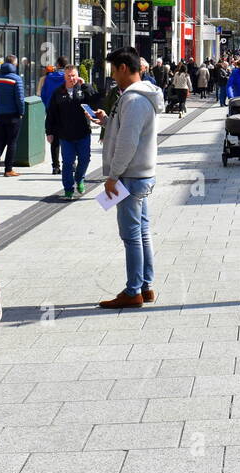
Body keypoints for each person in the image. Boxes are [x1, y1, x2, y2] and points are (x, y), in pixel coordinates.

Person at [95, 47, 165, 309]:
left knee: (131, 235)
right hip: (140, 174)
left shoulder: (133, 100)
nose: (112, 76)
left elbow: (128, 142)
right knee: (142, 232)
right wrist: (106, 121)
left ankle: (133, 290)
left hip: (131, 176)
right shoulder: (138, 97)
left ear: (124, 68)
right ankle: (145, 286)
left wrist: (113, 175)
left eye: (113, 70)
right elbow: (126, 129)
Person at [45, 64, 101, 200]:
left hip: (83, 133)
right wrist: (49, 132)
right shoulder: (58, 92)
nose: (71, 78)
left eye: (74, 75)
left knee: (85, 159)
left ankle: (80, 178)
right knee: (68, 163)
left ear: (77, 76)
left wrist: (86, 85)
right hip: (65, 135)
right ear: (64, 77)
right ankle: (68, 189)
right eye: (69, 76)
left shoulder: (83, 90)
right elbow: (51, 113)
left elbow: (95, 101)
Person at [0, 55, 26, 176]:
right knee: (12, 141)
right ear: (14, 64)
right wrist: (21, 112)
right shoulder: (16, 79)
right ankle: (8, 169)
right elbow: (20, 98)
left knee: (0, 139)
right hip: (13, 114)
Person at [37, 56, 69, 174]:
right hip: (66, 110)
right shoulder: (67, 77)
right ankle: (71, 163)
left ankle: (55, 166)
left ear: (58, 65)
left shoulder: (49, 78)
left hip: (52, 111)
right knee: (69, 139)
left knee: (54, 140)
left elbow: (43, 94)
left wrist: (48, 107)